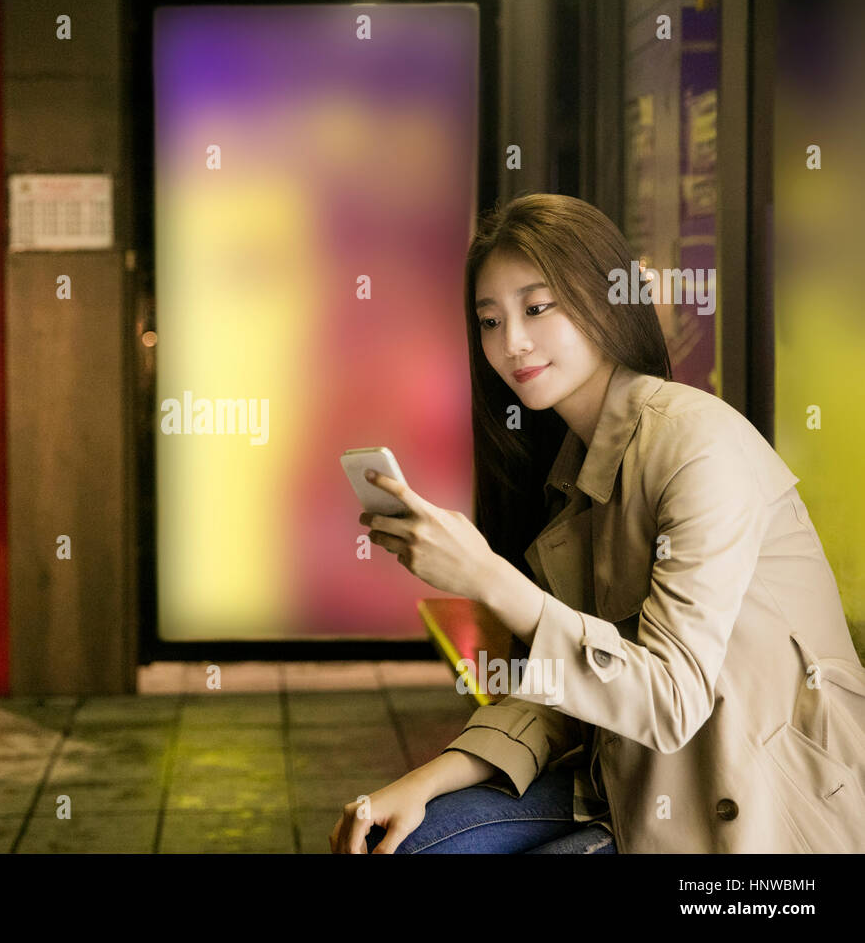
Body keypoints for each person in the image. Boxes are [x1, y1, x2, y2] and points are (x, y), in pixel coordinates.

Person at [330, 193, 865, 854]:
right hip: (633, 770)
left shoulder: (697, 447)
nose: (511, 342)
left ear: (604, 297)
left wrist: (490, 579)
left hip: (758, 806)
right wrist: (430, 777)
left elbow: (669, 699)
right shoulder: (573, 466)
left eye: (536, 307)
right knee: (409, 842)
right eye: (490, 319)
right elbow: (573, 674)